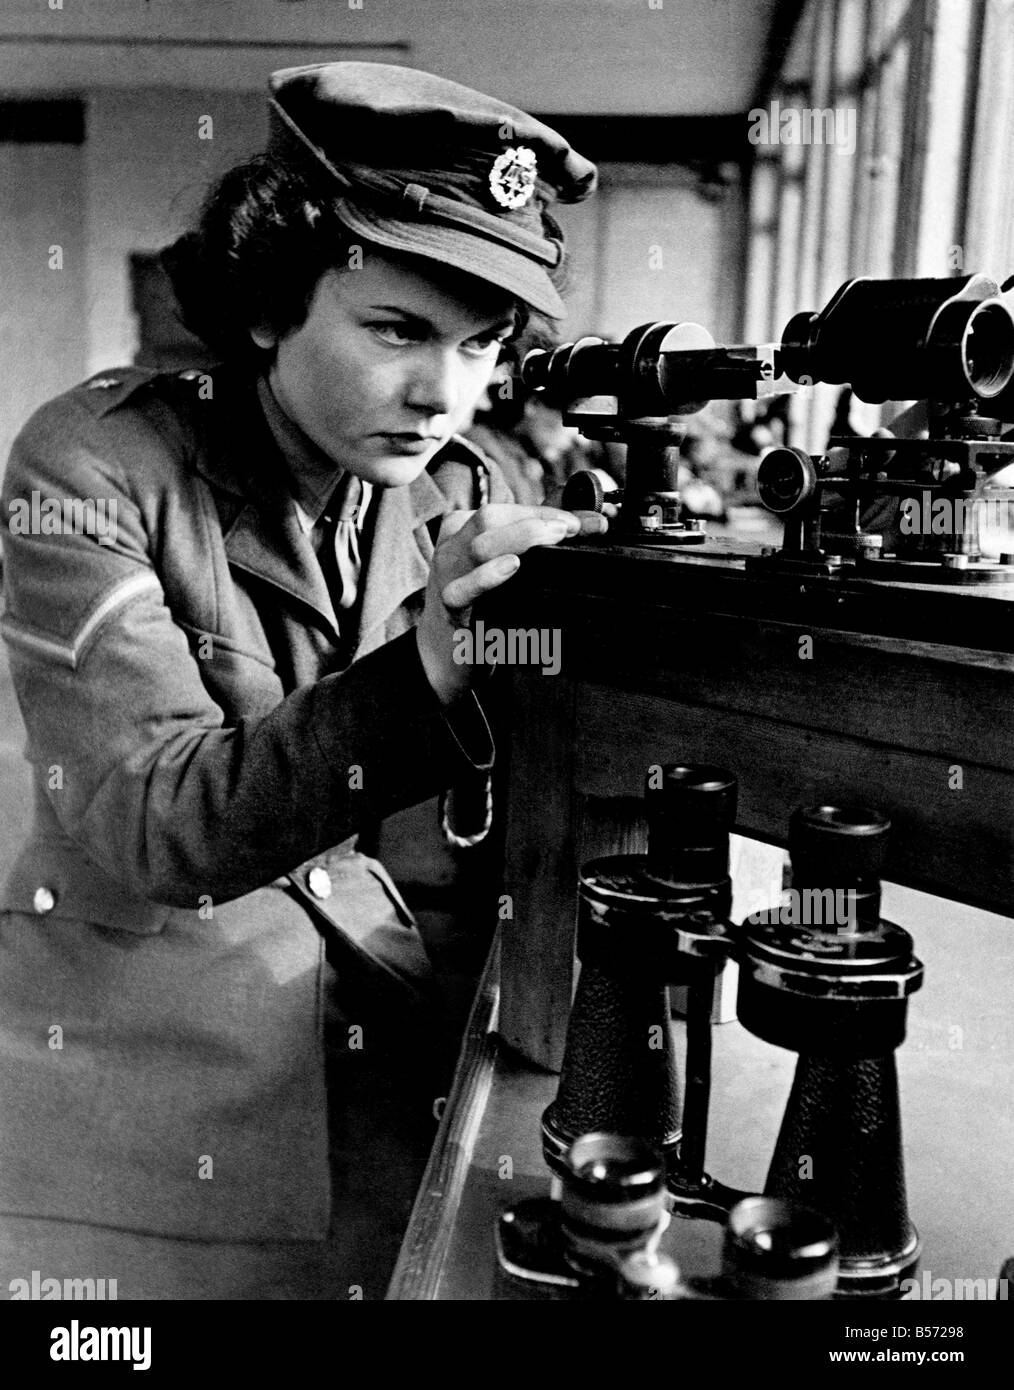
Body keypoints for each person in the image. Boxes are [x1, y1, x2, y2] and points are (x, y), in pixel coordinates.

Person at [0, 62, 603, 1300]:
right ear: (271, 303)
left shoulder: (462, 487)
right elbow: (156, 820)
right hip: (151, 1098)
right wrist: (430, 662)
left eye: (481, 345)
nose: (446, 394)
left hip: (389, 1049)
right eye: (397, 332)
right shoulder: (93, 463)